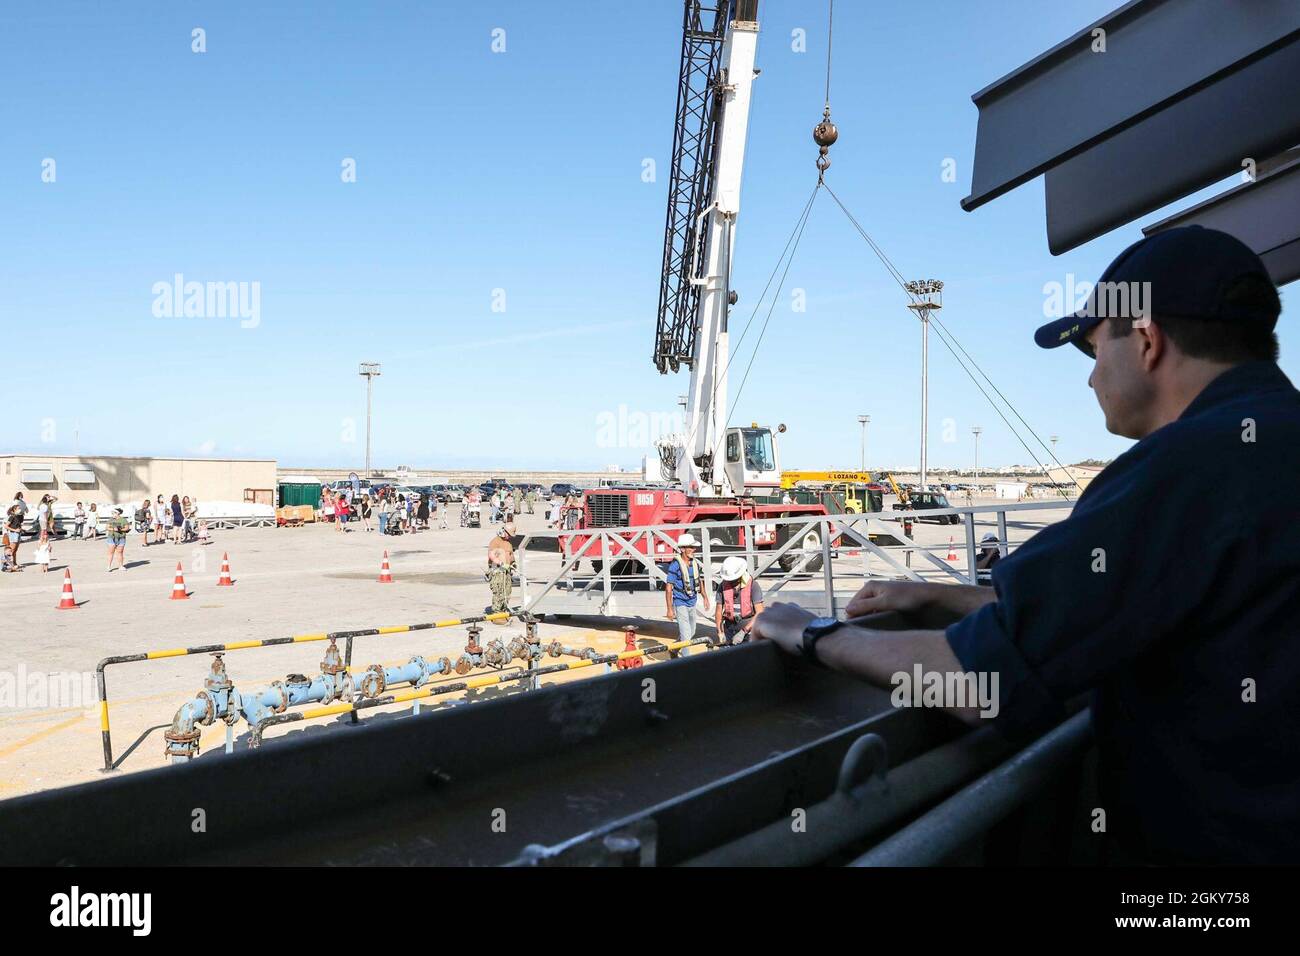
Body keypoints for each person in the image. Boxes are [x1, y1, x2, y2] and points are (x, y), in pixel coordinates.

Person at [754, 226, 1299, 865]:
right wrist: (941, 593)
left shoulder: (1185, 468)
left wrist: (813, 633)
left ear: (1147, 341)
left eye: (1095, 350)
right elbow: (1101, 605)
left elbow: (982, 683)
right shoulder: (1267, 445)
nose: (1092, 379)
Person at [661, 533, 711, 655]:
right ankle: (686, 659)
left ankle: (674, 648)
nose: (693, 550)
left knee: (692, 631)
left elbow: (699, 580)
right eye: (690, 547)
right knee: (686, 633)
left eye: (693, 547)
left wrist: (705, 597)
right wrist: (670, 609)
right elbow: (668, 588)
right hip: (680, 601)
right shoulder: (675, 565)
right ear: (683, 549)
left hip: (692, 601)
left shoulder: (695, 563)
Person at [713, 556, 765, 646]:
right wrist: (720, 632)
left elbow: (760, 612)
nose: (731, 582)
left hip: (749, 629)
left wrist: (744, 631)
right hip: (729, 628)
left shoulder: (753, 585)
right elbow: (718, 610)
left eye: (733, 579)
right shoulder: (723, 586)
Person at [486, 521, 517, 621]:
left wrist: (513, 563)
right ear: (504, 531)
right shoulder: (495, 541)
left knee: (506, 591)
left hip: (506, 571)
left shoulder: (508, 543)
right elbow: (491, 555)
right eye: (509, 534)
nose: (510, 537)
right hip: (498, 571)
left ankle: (503, 610)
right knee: (499, 591)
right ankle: (496, 614)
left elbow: (510, 555)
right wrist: (501, 563)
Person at [106, 507, 131, 572]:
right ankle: (108, 566)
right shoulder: (111, 520)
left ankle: (121, 566)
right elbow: (107, 527)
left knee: (120, 552)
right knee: (111, 552)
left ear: (118, 513)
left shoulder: (123, 520)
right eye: (112, 513)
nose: (112, 514)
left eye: (113, 513)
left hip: (121, 538)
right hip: (112, 538)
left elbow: (127, 528)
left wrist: (121, 529)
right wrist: (114, 529)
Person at [3, 502, 24, 572]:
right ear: (14, 510)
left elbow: (17, 525)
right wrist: (15, 530)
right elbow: (6, 526)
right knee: (11, 550)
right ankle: (7, 564)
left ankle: (14, 563)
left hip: (18, 534)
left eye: (20, 508)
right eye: (18, 509)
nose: (20, 510)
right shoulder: (11, 516)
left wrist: (21, 529)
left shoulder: (18, 516)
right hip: (13, 534)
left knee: (15, 550)